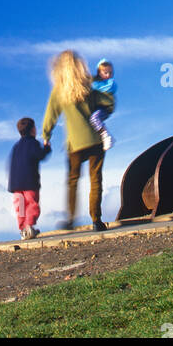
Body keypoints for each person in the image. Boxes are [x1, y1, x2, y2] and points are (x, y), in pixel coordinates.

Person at [42, 50, 115, 232]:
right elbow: (108, 101)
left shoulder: (59, 90)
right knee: (96, 179)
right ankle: (96, 220)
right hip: (95, 140)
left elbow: (50, 115)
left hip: (74, 144)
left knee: (73, 181)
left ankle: (70, 220)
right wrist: (104, 110)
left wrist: (46, 136)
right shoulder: (89, 85)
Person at [7, 117, 50, 239]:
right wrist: (46, 147)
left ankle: (23, 229)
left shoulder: (16, 147)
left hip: (16, 184)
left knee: (20, 207)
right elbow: (40, 155)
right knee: (32, 204)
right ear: (32, 130)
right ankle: (29, 226)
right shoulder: (33, 143)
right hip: (30, 182)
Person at [89, 58, 117, 151]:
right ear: (99, 72)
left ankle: (106, 136)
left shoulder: (110, 83)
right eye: (105, 73)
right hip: (98, 106)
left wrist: (92, 84)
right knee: (92, 120)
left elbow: (104, 87)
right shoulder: (95, 80)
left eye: (110, 73)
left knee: (94, 118)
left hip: (106, 107)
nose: (108, 75)